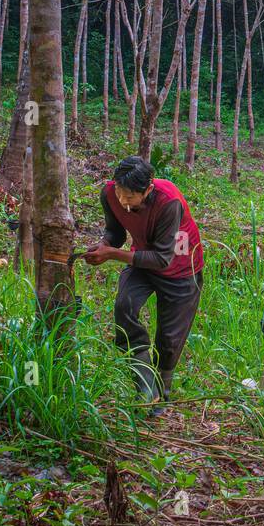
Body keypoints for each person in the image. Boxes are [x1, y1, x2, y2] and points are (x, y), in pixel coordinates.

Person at [82, 156, 204, 411]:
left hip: (180, 268)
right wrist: (104, 245)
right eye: (119, 192)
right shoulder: (110, 195)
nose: (123, 201)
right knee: (125, 305)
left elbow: (161, 258)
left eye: (130, 197)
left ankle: (162, 394)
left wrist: (113, 255)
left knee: (169, 340)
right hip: (142, 260)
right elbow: (115, 232)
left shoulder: (168, 202)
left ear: (148, 190)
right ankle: (144, 385)